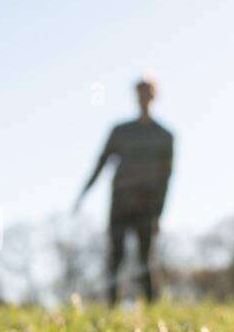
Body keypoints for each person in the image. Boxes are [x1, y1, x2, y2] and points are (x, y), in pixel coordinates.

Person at [74, 77, 174, 303]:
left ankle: (151, 305)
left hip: (147, 203)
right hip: (121, 200)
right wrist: (83, 194)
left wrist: (159, 212)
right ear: (135, 96)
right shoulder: (120, 131)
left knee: (145, 257)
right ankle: (112, 305)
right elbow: (101, 163)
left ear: (154, 96)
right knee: (115, 255)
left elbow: (166, 178)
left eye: (147, 93)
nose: (143, 98)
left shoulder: (165, 136)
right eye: (140, 93)